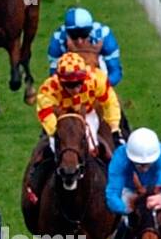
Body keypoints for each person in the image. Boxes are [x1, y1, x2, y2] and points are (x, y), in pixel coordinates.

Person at [27, 52, 121, 202]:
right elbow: (45, 113)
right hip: (61, 119)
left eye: (79, 83)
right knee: (53, 148)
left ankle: (114, 183)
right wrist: (57, 132)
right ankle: (35, 185)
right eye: (70, 85)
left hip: (87, 115)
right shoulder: (49, 88)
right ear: (60, 81)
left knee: (93, 145)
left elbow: (110, 102)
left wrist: (114, 128)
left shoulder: (97, 79)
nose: (76, 89)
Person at [46, 7, 123, 88]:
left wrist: (98, 88)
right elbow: (54, 76)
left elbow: (115, 72)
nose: (80, 41)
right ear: (67, 32)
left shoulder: (104, 35)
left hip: (98, 81)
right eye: (74, 35)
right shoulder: (57, 40)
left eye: (84, 34)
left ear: (90, 29)